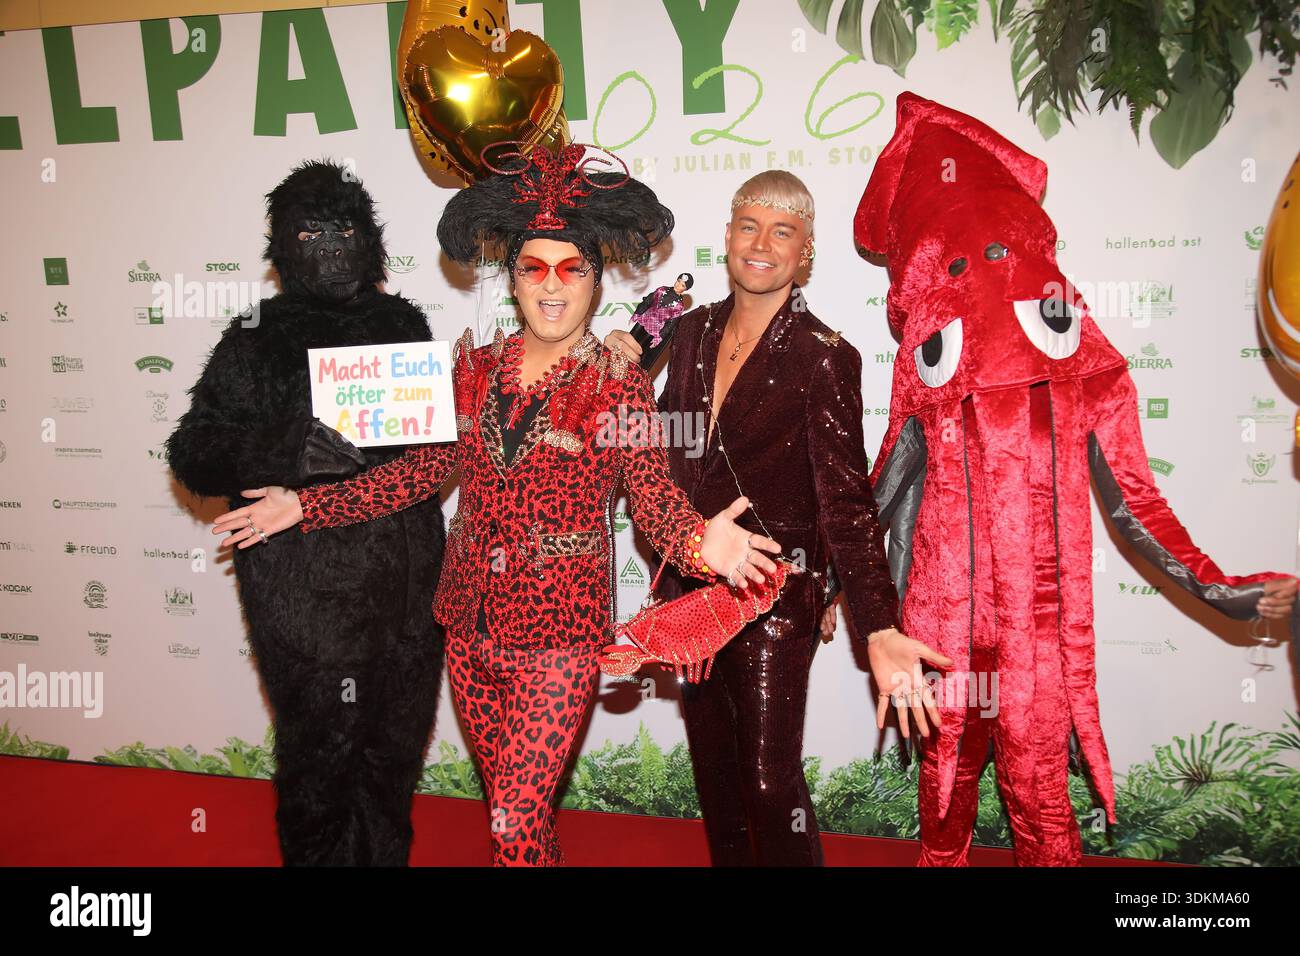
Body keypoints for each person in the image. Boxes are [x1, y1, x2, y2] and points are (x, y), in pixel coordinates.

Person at [211, 143, 781, 867]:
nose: (553, 287)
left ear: (596, 283)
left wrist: (702, 544)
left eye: (572, 269)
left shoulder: (619, 386)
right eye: (533, 268)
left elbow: (653, 496)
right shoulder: (472, 369)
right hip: (467, 627)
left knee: (512, 821)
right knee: (518, 821)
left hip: (560, 636)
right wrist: (304, 506)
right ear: (512, 280)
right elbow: (419, 474)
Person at [606, 170, 947, 866]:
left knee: (768, 782)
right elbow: (671, 446)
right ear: (728, 238)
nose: (762, 244)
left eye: (782, 232)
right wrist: (620, 372)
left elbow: (845, 501)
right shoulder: (689, 328)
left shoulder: (827, 358)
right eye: (749, 227)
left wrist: (875, 620)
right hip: (694, 587)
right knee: (718, 778)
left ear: (805, 253)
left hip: (774, 597)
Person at [166, 160, 446, 866]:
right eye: (309, 230)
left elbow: (433, 449)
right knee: (320, 768)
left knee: (392, 763)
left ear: (371, 240)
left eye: (344, 228)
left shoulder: (402, 321)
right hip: (307, 604)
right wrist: (285, 447)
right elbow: (194, 451)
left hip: (409, 599)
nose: (328, 244)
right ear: (282, 245)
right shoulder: (257, 333)